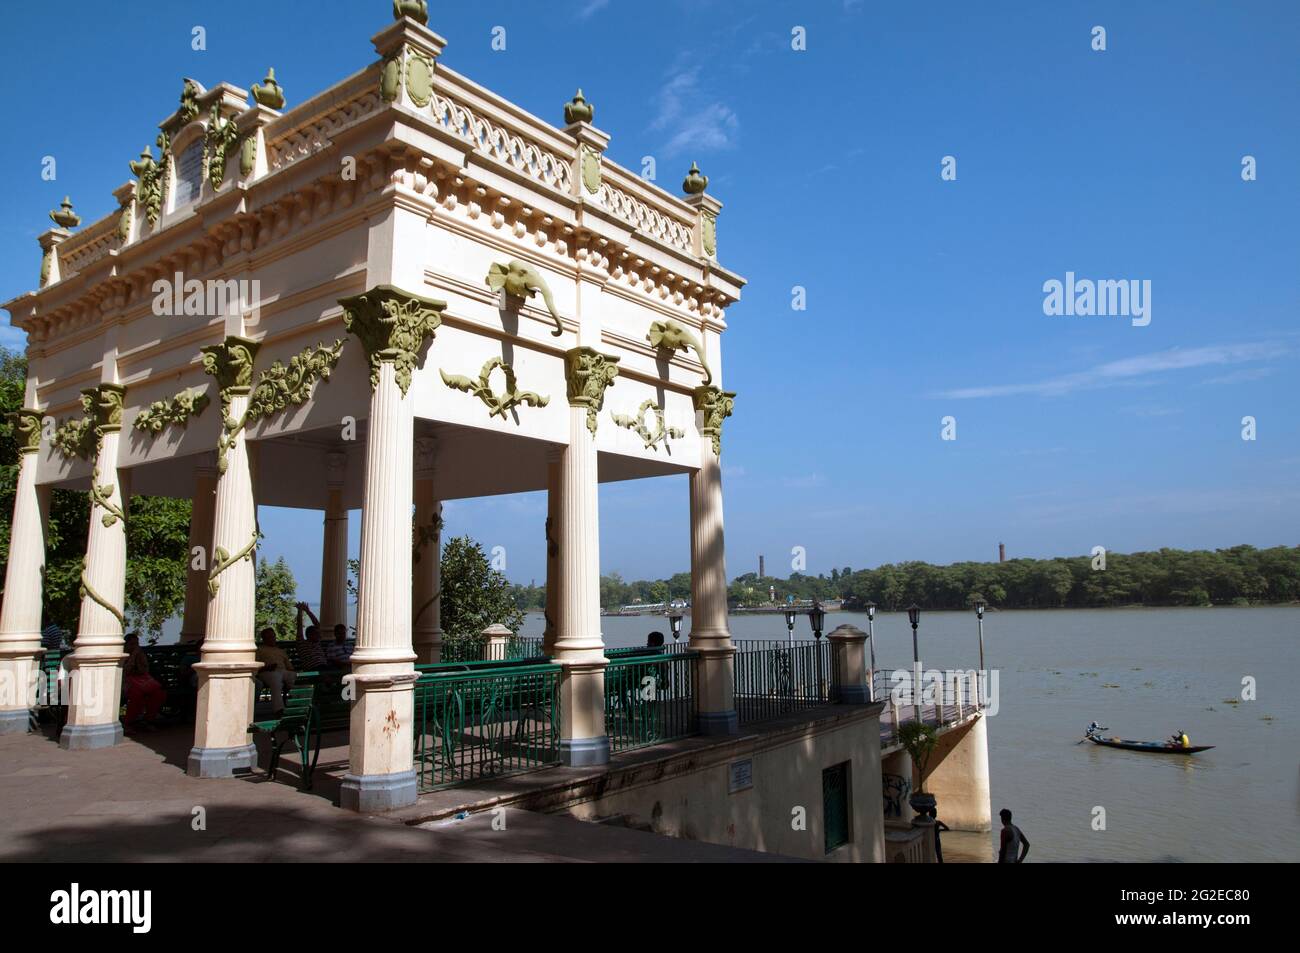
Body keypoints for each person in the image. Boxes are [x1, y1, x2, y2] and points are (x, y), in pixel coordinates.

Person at [122, 632, 165, 731]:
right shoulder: (122, 655)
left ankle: (148, 720)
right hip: (126, 682)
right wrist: (132, 656)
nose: (134, 646)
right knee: (136, 695)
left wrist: (138, 656)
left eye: (136, 644)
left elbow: (144, 670)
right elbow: (126, 671)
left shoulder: (140, 654)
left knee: (158, 693)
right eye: (131, 644)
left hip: (142, 680)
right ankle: (128, 722)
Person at [255, 628, 296, 715]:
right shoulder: (259, 650)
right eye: (269, 637)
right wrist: (266, 668)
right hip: (266, 672)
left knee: (295, 677)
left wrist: (294, 673)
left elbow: (290, 667)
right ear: (264, 639)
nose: (272, 638)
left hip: (283, 671)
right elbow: (256, 668)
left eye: (273, 636)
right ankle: (279, 710)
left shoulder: (281, 651)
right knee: (276, 679)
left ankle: (299, 705)